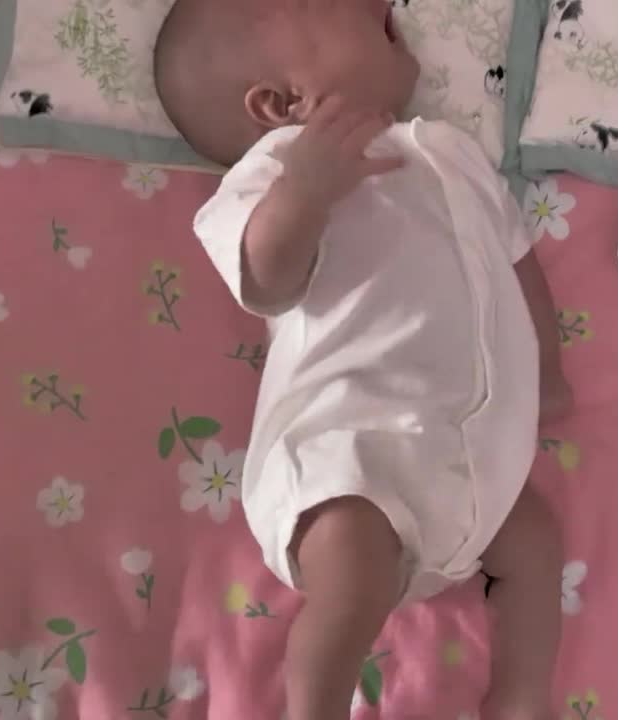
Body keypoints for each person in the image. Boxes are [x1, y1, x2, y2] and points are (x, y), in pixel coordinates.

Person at [153, 1, 568, 718]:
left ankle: (523, 695)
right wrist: (305, 192)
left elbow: (515, 256)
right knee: (354, 574)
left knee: (533, 543)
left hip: (466, 459)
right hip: (346, 445)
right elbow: (267, 276)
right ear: (283, 102)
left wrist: (549, 364)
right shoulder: (272, 170)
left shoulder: (454, 152)